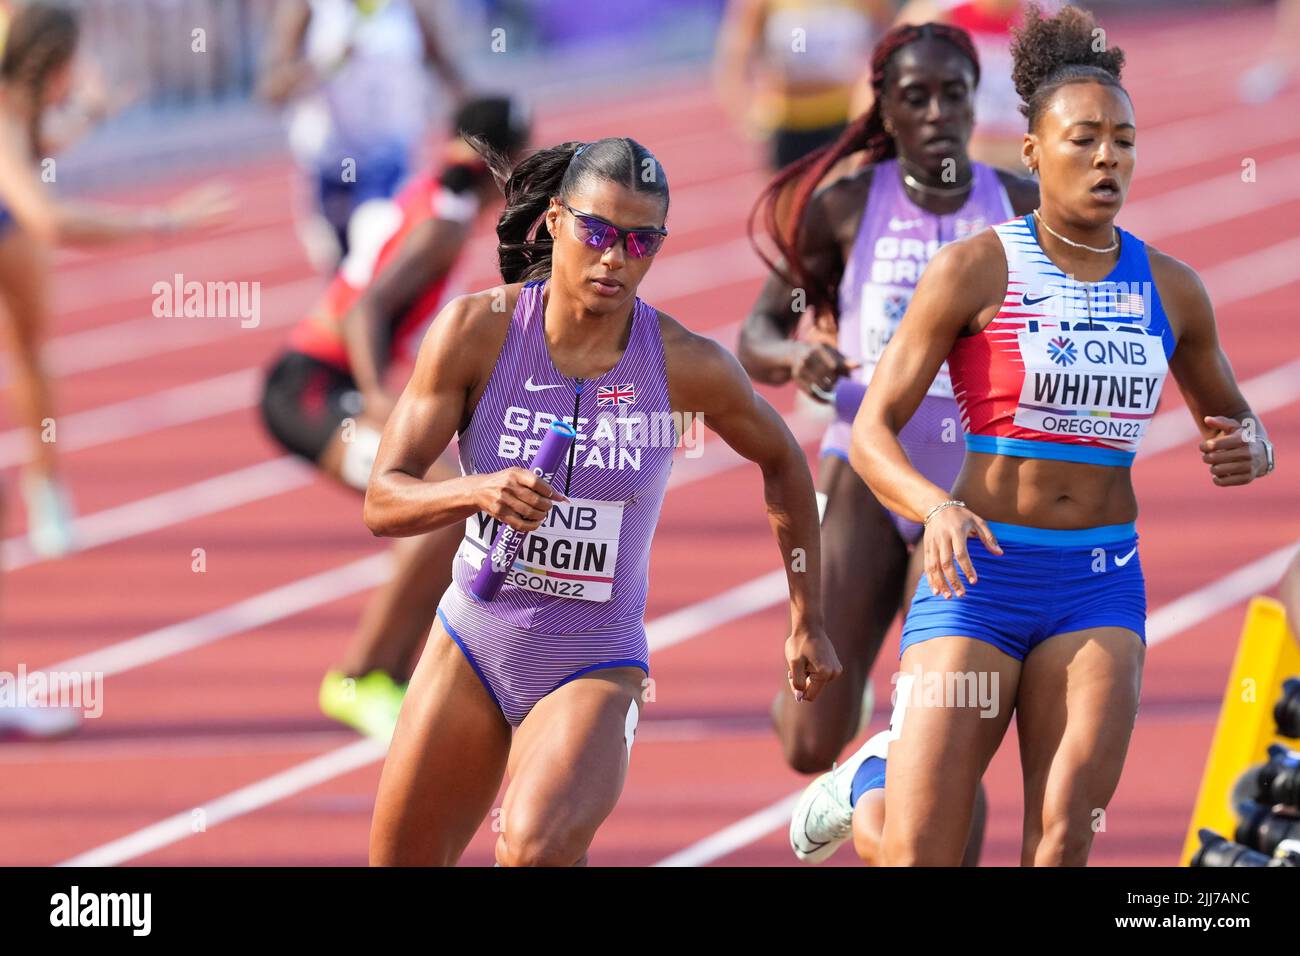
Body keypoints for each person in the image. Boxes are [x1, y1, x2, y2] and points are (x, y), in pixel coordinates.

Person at [844, 3, 1275, 866]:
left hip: (1098, 579)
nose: (1107, 156)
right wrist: (934, 511)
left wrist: (1250, 447)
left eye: (1123, 138)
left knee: (1065, 829)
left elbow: (1237, 422)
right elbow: (870, 433)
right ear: (1033, 151)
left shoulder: (1174, 288)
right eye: (1083, 139)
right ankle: (865, 784)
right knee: (918, 849)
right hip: (979, 574)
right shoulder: (974, 269)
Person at [365, 136, 841, 865]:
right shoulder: (478, 333)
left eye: (640, 240)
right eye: (597, 232)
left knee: (532, 846)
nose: (616, 259)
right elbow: (383, 498)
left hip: (592, 658)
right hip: (472, 637)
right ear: (555, 221)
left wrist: (807, 616)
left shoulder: (684, 364)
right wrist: (476, 490)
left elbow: (781, 460)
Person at [738, 21, 1037, 864]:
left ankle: (912, 767)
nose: (940, 112)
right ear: (887, 110)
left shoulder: (1017, 205)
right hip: (868, 466)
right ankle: (864, 764)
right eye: (917, 97)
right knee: (806, 737)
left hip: (974, 481)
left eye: (955, 94)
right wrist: (799, 354)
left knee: (950, 722)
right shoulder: (845, 206)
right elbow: (756, 334)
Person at [260, 95, 529, 739]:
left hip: (328, 384)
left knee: (444, 511)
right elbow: (364, 310)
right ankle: (355, 678)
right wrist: (378, 394)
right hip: (312, 391)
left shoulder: (439, 198)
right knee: (433, 505)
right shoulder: (442, 221)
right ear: (508, 161)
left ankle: (389, 678)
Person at [0, 2, 226, 739]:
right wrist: (164, 223)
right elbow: (48, 217)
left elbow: (29, 162)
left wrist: (89, 117)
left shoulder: (16, 114)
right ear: (53, 65)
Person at [259, 0, 466, 270]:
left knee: (381, 263)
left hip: (390, 164)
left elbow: (446, 68)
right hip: (331, 168)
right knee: (342, 276)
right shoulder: (307, 8)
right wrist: (326, 64)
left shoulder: (406, 8)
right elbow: (272, 91)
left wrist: (477, 118)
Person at [715, 0, 892, 170]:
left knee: (847, 195)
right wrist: (742, 111)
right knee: (791, 200)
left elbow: (891, 40)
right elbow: (737, 54)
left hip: (845, 118)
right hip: (788, 120)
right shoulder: (763, 3)